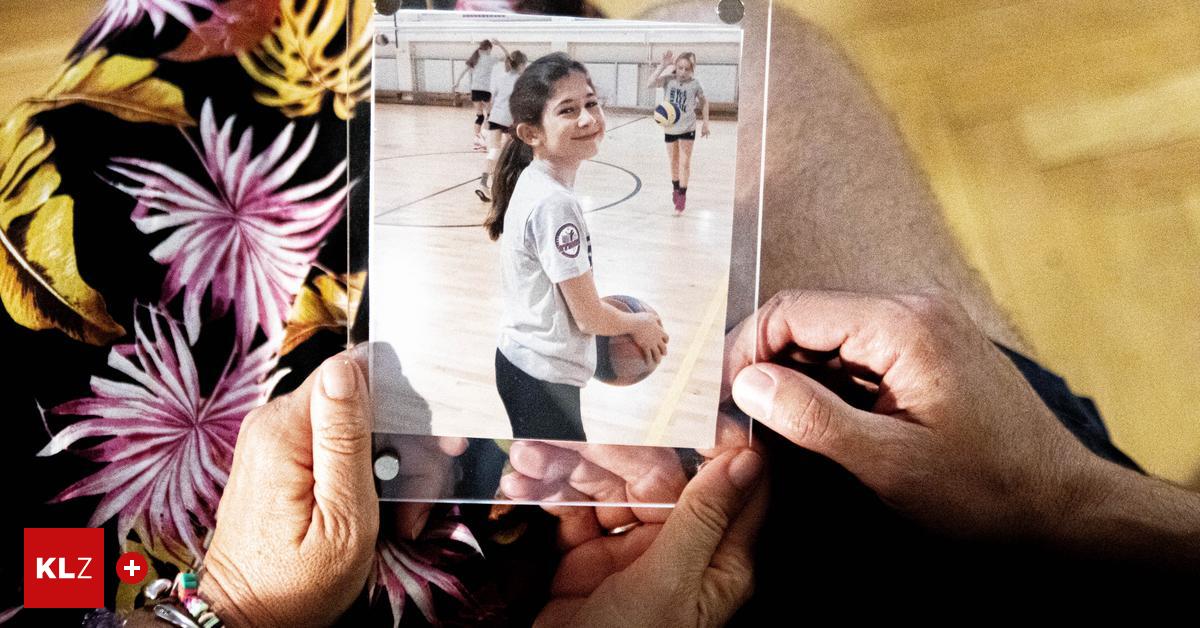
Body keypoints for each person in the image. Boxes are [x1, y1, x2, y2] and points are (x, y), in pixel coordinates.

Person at [483, 52, 669, 441]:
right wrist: (641, 325)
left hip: (527, 367)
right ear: (531, 134)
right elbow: (588, 318)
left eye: (590, 103)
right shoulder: (555, 203)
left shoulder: (538, 182)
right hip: (540, 379)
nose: (587, 118)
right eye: (567, 110)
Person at [646, 50, 710, 213]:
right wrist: (663, 65)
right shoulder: (669, 81)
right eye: (680, 68)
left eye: (686, 69)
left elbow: (705, 103)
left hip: (688, 127)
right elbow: (649, 84)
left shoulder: (696, 84)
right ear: (676, 67)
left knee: (685, 162)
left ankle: (682, 194)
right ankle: (675, 187)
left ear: (692, 70)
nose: (682, 72)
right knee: (673, 161)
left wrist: (705, 124)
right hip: (670, 127)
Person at [475, 49, 528, 203]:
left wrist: (487, 118)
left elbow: (491, 100)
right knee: (510, 154)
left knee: (494, 152)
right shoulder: (521, 81)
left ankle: (484, 183)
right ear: (521, 65)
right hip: (509, 120)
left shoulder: (501, 78)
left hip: (494, 118)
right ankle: (504, 186)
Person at [453, 38, 507, 150]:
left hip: (475, 90)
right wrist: (500, 44)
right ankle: (484, 139)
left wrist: (456, 83)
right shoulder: (492, 59)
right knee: (490, 115)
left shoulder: (475, 59)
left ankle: (477, 141)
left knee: (479, 116)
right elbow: (508, 57)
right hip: (486, 90)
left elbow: (464, 71)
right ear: (489, 49)